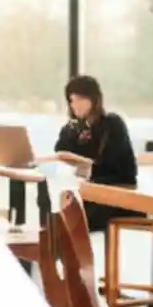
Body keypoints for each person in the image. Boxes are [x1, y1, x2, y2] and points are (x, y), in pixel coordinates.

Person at [50, 75, 140, 230]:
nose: (74, 105)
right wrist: (71, 129)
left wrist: (88, 166)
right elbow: (61, 150)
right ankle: (67, 251)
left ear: (93, 99)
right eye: (71, 100)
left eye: (79, 99)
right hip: (91, 194)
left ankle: (73, 252)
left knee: (70, 218)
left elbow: (119, 168)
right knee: (59, 215)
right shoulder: (78, 130)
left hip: (117, 196)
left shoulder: (112, 124)